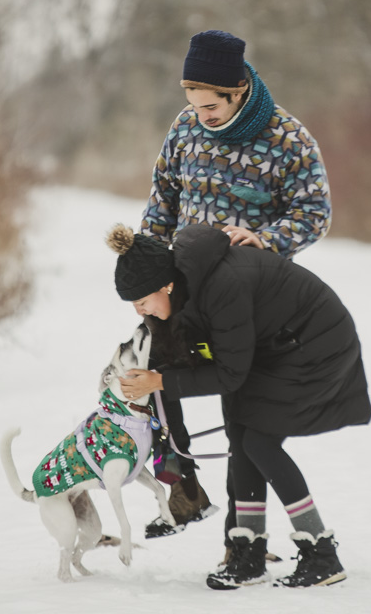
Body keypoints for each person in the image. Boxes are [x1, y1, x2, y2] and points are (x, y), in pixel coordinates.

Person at [139, 29, 332, 540]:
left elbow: (315, 213)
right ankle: (185, 493)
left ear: (239, 90)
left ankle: (242, 538)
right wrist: (148, 273)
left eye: (212, 106)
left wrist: (265, 239)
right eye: (194, 104)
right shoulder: (184, 130)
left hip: (252, 302)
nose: (204, 114)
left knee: (243, 422)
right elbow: (161, 206)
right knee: (154, 386)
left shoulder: (287, 138)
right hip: (186, 296)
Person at [107, 223, 371, 589]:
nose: (141, 312)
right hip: (274, 349)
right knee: (242, 434)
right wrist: (156, 376)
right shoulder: (184, 290)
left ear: (165, 285)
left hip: (315, 345)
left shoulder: (220, 287)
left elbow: (230, 375)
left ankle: (322, 555)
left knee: (259, 442)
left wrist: (163, 381)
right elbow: (205, 355)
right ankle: (248, 554)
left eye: (142, 302)